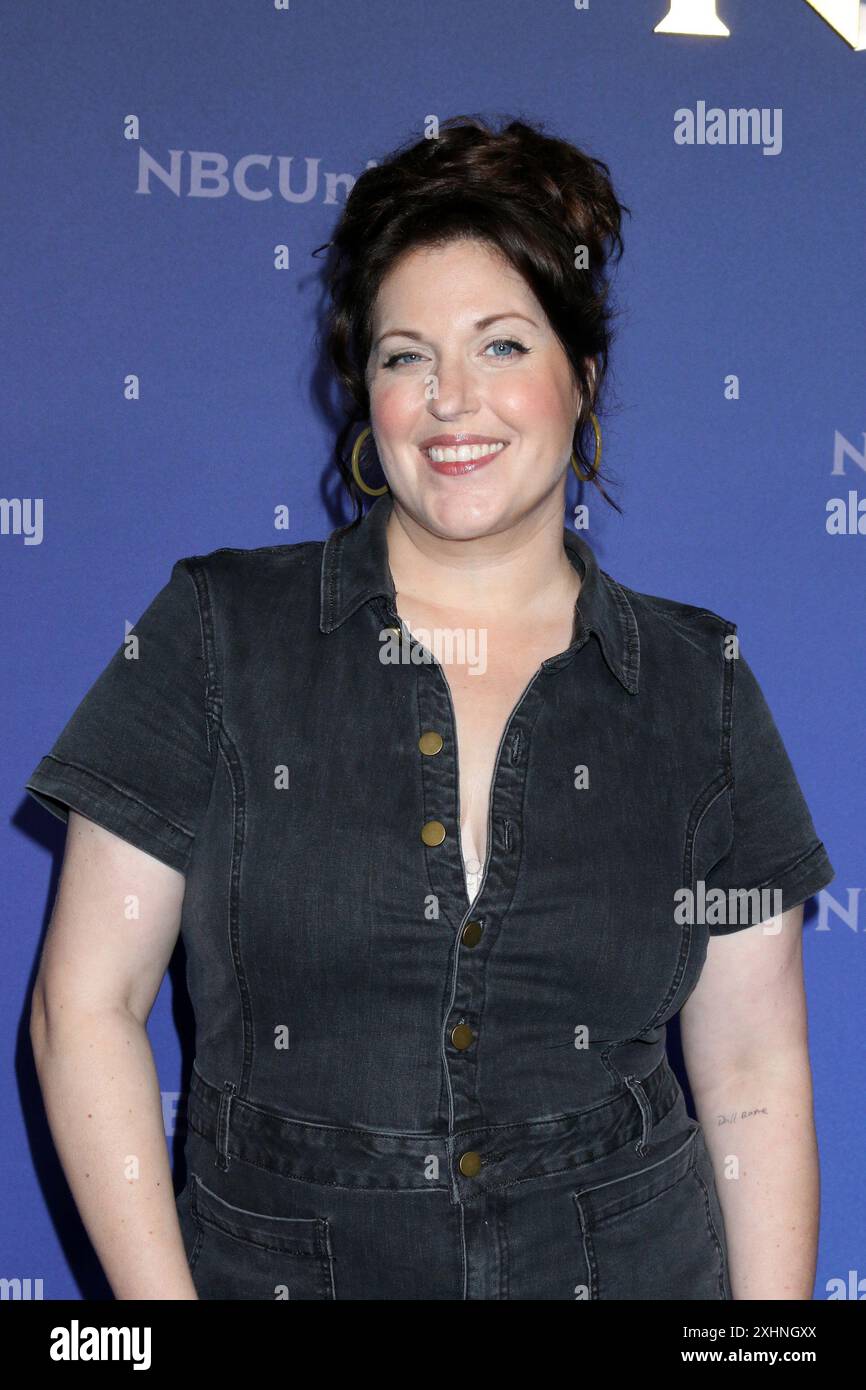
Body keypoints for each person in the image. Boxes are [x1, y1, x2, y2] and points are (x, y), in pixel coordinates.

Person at [26, 114, 835, 1301]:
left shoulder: (693, 681)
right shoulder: (215, 635)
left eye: (501, 345)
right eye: (406, 356)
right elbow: (83, 1006)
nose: (453, 401)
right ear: (366, 396)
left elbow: (753, 1069)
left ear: (581, 377)